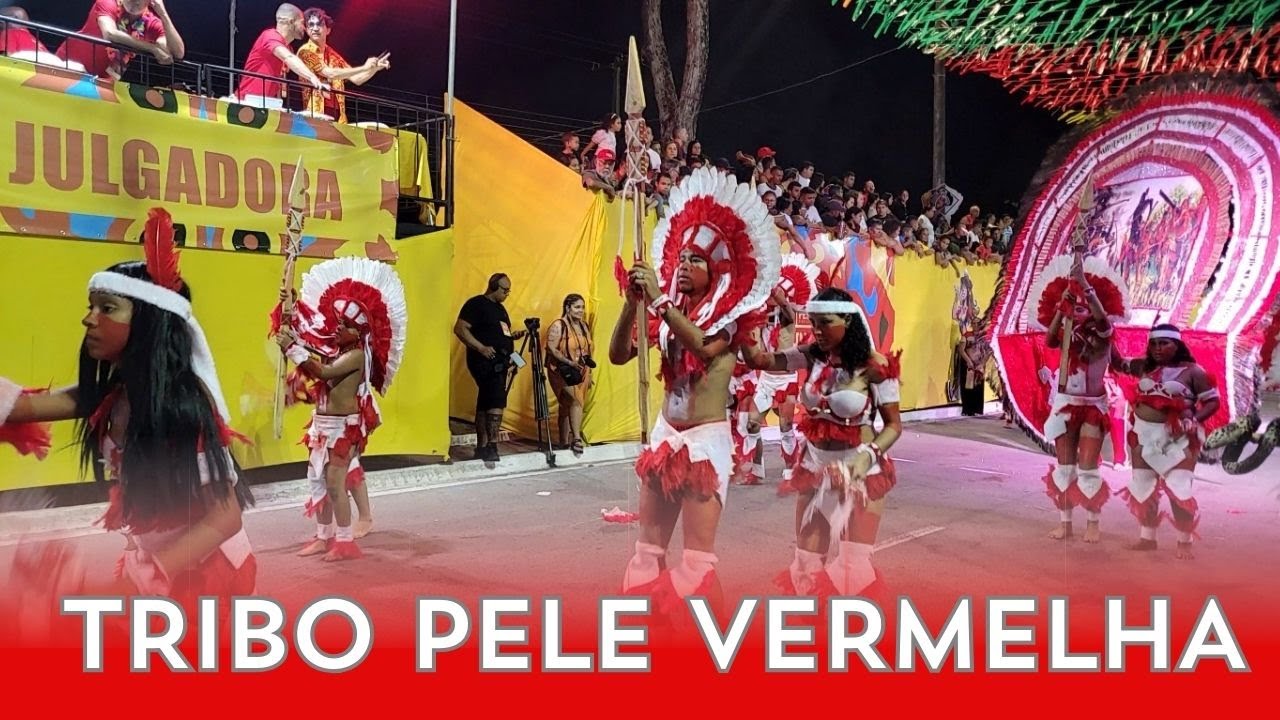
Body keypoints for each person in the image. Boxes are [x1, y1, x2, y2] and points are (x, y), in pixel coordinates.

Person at [0, 207, 255, 623]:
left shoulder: (182, 406)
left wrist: (148, 577)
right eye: (91, 306)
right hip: (154, 560)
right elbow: (21, 408)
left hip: (207, 572)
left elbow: (226, 516)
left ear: (150, 321)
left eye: (107, 308)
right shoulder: (108, 396)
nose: (88, 318)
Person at [610, 166, 781, 620]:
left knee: (696, 565)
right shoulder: (666, 316)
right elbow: (617, 354)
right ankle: (643, 642)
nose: (684, 265)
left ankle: (712, 649)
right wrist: (632, 304)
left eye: (696, 260)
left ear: (717, 271)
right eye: (682, 258)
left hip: (705, 442)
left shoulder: (730, 319)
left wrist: (661, 304)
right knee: (646, 554)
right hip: (666, 435)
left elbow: (703, 348)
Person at [748, 287, 902, 599]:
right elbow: (760, 359)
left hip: (859, 470)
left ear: (848, 320)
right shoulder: (812, 355)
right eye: (814, 322)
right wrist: (745, 311)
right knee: (805, 569)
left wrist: (868, 457)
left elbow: (893, 426)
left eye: (825, 322)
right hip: (814, 466)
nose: (816, 330)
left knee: (852, 572)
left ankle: (856, 639)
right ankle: (811, 641)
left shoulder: (875, 365)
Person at [275, 257, 407, 560]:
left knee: (336, 484)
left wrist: (292, 349)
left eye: (345, 325)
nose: (338, 328)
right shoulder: (337, 348)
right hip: (320, 427)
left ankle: (345, 541)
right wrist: (291, 307)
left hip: (343, 428)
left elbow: (321, 372)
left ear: (358, 332)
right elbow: (312, 336)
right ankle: (323, 537)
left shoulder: (357, 355)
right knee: (317, 483)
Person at [1029, 247, 1130, 542]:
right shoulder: (1066, 334)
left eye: (1085, 304)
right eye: (1078, 304)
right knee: (1064, 468)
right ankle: (1065, 522)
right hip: (1064, 403)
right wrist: (1062, 308)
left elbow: (1103, 322)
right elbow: (1048, 339)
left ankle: (1093, 523)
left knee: (1087, 468)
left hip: (1092, 407)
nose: (1080, 307)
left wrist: (1085, 286)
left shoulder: (1103, 336)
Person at [1112, 324, 1220, 559]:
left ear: (1177, 345)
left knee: (1178, 488)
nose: (1158, 348)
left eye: (1164, 343)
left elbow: (1213, 402)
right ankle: (1147, 538)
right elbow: (1117, 363)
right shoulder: (1143, 366)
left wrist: (1194, 419)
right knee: (1143, 486)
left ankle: (1184, 542)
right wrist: (1104, 330)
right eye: (1154, 343)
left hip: (1177, 439)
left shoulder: (1194, 372)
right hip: (1142, 435)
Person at [737, 252, 820, 485]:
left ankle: (790, 470)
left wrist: (780, 297)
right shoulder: (761, 314)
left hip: (786, 380)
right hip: (765, 379)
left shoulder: (791, 315)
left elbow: (791, 310)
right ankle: (756, 470)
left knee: (785, 426)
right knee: (752, 424)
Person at [454, 273, 527, 462]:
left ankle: (482, 445)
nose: (507, 294)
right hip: (485, 361)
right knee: (495, 398)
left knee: (485, 402)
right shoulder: (476, 304)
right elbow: (460, 328)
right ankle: (492, 444)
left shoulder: (501, 310)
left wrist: (513, 344)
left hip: (502, 360)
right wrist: (481, 348)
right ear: (494, 286)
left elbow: (503, 336)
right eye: (504, 290)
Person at [296, 8, 390, 123]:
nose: (315, 28)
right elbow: (329, 73)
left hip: (337, 113)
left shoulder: (333, 55)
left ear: (328, 30)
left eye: (319, 25)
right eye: (311, 25)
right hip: (315, 113)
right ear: (306, 29)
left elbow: (357, 79)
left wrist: (374, 68)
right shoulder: (305, 52)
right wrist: (365, 67)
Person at [56, 0, 184, 80]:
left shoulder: (151, 22)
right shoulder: (108, 2)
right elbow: (110, 34)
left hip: (102, 83)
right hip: (66, 67)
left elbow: (178, 52)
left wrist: (163, 14)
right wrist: (152, 48)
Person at [235, 4, 324, 109]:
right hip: (245, 102)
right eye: (302, 23)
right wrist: (312, 77)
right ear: (291, 21)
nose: (304, 28)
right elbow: (288, 58)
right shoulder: (270, 36)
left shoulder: (288, 48)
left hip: (264, 105)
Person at [545, 293, 594, 455]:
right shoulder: (559, 325)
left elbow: (587, 349)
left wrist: (589, 371)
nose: (581, 310)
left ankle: (563, 442)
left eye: (582, 307)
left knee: (566, 405)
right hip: (561, 370)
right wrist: (569, 363)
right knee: (575, 400)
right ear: (568, 308)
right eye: (577, 307)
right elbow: (551, 348)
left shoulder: (584, 326)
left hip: (581, 371)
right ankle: (576, 439)